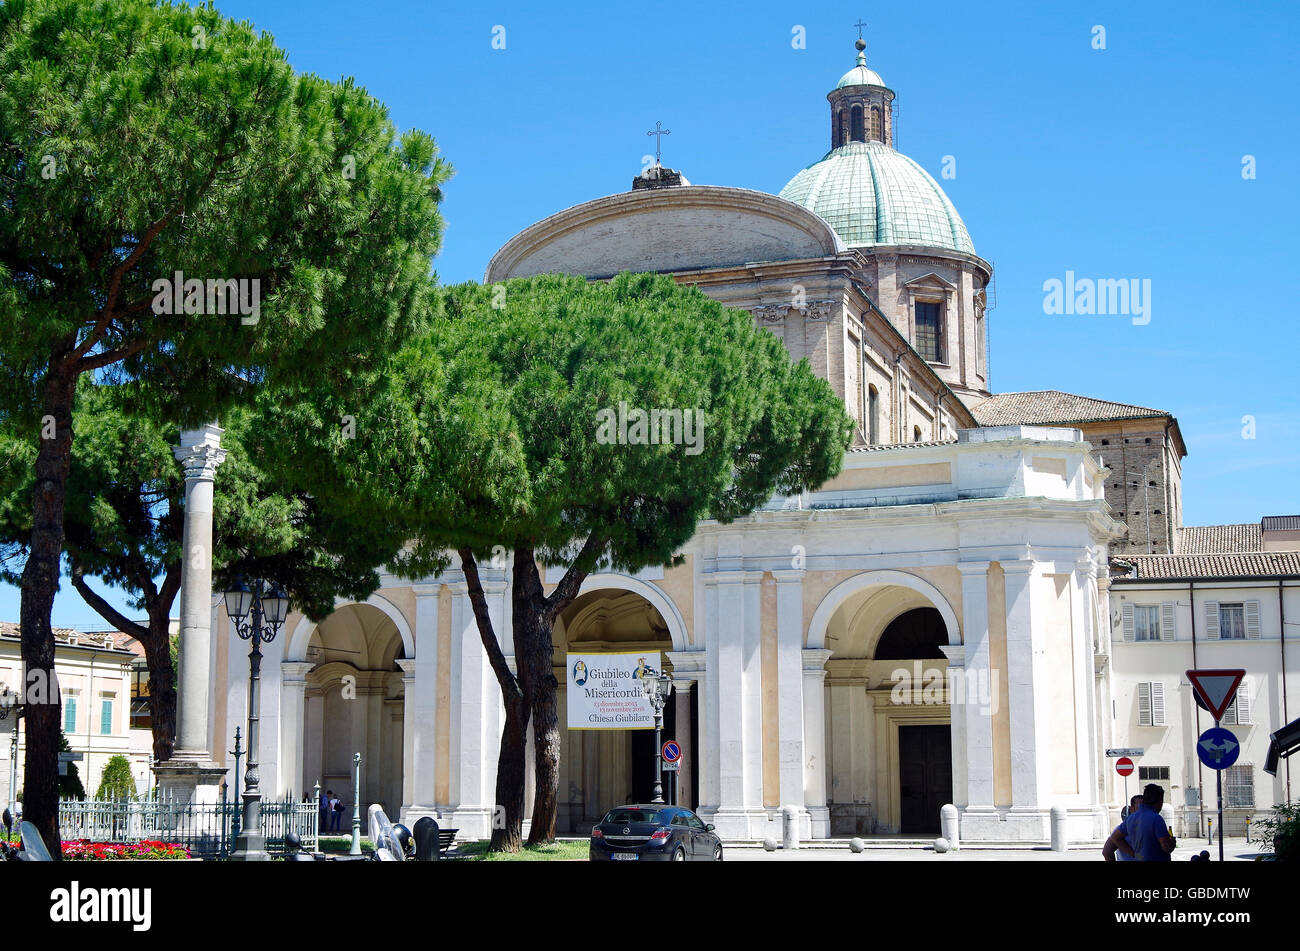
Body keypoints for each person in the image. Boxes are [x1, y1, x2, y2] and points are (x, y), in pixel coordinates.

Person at [1114, 783, 1176, 861]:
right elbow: (1166, 847)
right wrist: (1172, 842)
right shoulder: (1156, 819)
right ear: (1160, 801)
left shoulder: (1131, 818)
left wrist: (1133, 854)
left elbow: (1115, 837)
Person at [1103, 795, 1144, 861]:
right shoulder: (1123, 828)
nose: (1142, 812)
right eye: (1139, 808)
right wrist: (1134, 854)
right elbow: (1107, 851)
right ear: (1132, 809)